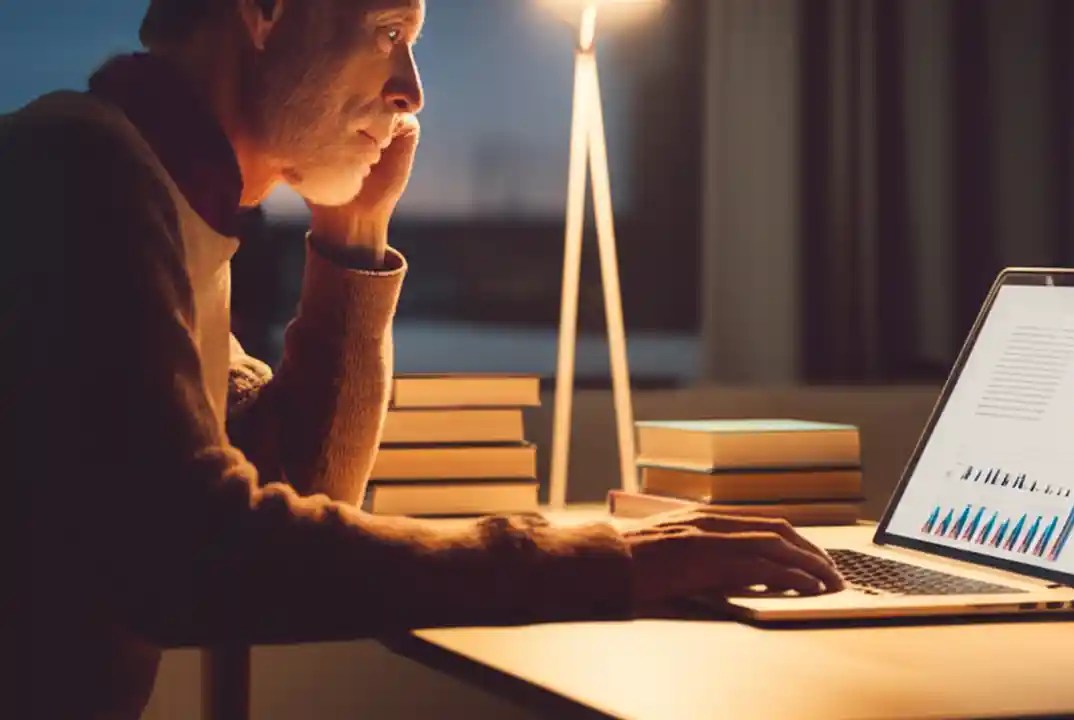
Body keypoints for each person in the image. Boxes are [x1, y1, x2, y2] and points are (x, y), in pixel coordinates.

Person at [2, 0, 842, 716]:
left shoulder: (159, 195)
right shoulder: (77, 170)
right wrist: (611, 560)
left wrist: (353, 239)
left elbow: (298, 491)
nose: (410, 92)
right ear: (262, 10)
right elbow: (197, 554)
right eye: (387, 30)